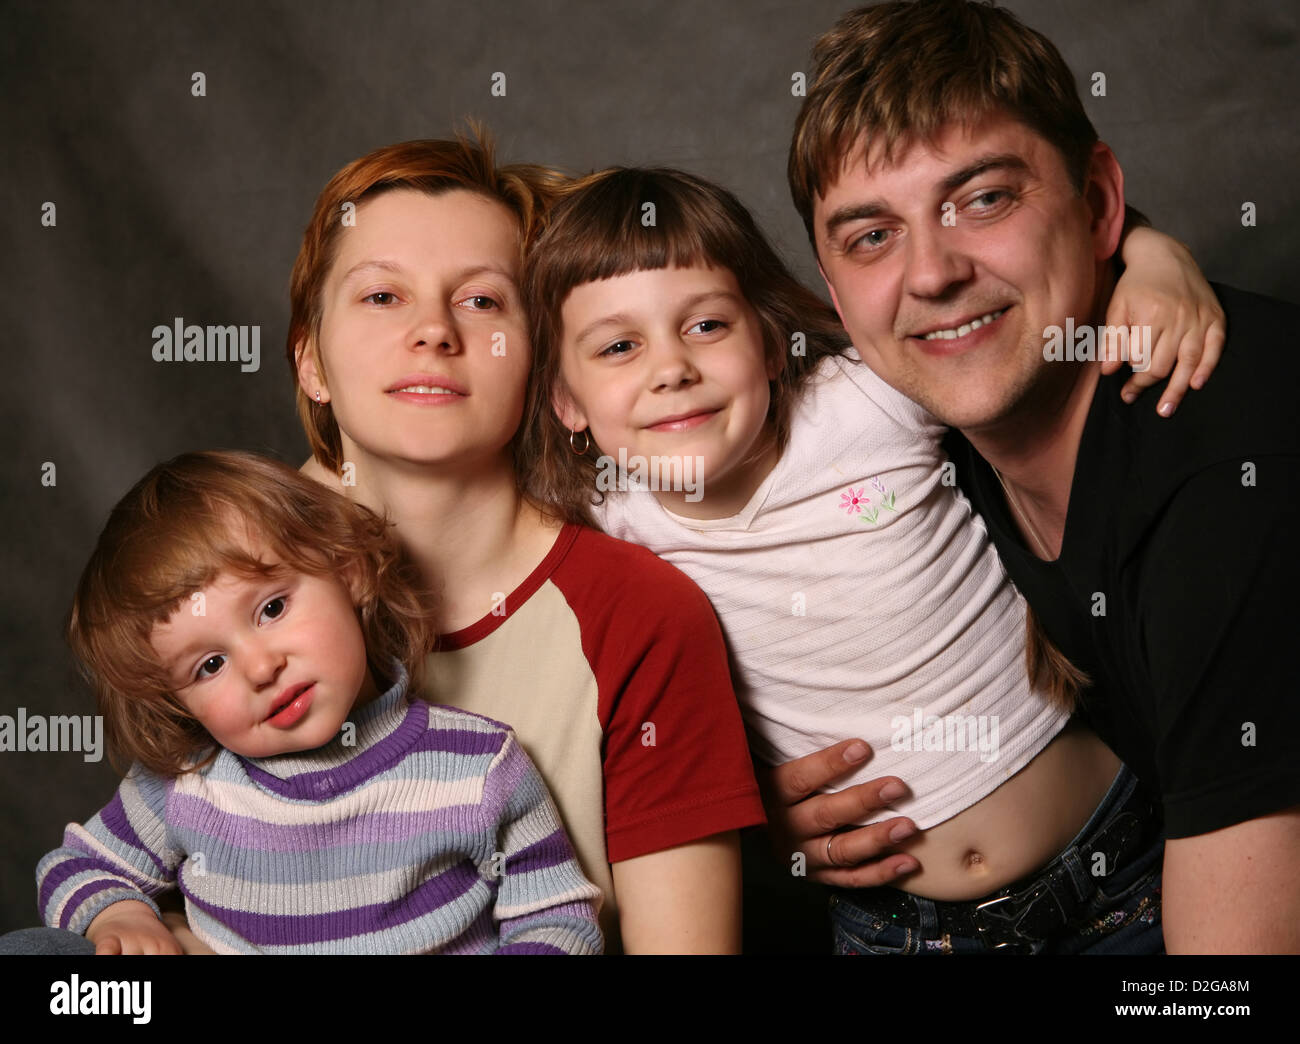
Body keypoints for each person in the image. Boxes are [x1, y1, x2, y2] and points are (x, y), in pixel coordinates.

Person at [519, 164, 1223, 953]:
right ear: (567, 402)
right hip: (902, 932)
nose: (670, 369)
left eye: (707, 326)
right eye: (618, 346)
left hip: (1118, 867)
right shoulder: (607, 524)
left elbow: (1037, 284)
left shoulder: (866, 400)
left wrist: (1156, 253)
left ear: (771, 341)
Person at [789, 0, 1300, 953]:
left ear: (1098, 201)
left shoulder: (1229, 479)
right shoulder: (919, 429)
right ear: (832, 293)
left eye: (983, 199)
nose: (931, 274)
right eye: (871, 235)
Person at [287, 137, 766, 954]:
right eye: (381, 298)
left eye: (481, 302)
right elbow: (156, 868)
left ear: (545, 366)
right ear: (311, 362)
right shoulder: (235, 573)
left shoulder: (639, 613)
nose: (433, 330)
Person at [31, 450, 603, 955]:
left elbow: (557, 918)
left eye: (272, 609)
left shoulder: (479, 767)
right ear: (176, 701)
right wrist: (123, 914)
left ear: (348, 571)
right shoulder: (188, 783)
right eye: (209, 666)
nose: (261, 668)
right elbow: (76, 867)